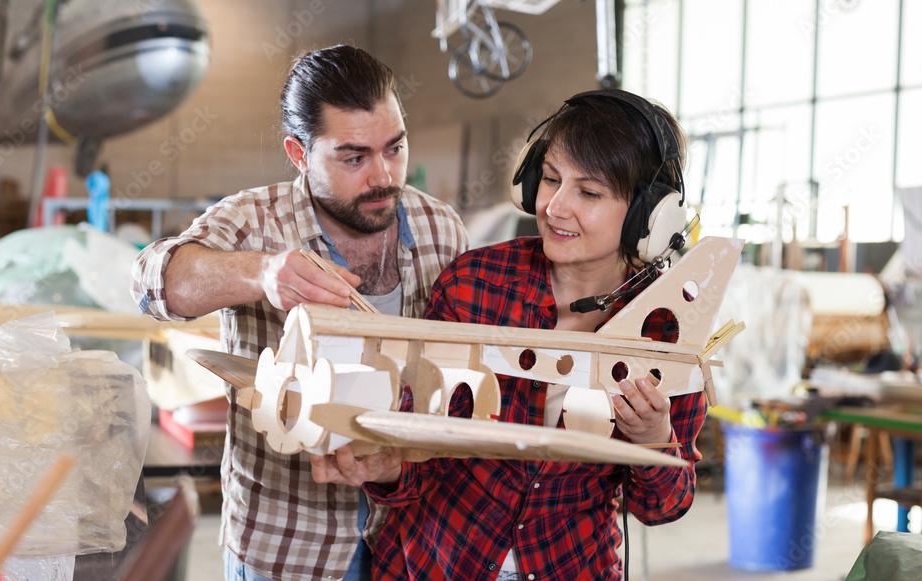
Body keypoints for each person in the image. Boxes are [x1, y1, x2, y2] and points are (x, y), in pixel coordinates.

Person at [310, 89, 706, 580]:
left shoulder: (667, 332)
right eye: (552, 180)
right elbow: (425, 447)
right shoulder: (474, 284)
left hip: (568, 566)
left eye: (589, 192)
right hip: (438, 564)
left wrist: (654, 438)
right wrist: (387, 467)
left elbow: (662, 506)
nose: (555, 207)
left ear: (650, 216)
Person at [130, 45, 468, 581]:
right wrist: (260, 274)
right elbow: (152, 283)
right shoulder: (253, 220)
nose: (383, 177)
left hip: (410, 538)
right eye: (353, 157)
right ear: (299, 152)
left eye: (394, 148)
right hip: (286, 547)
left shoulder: (440, 228)